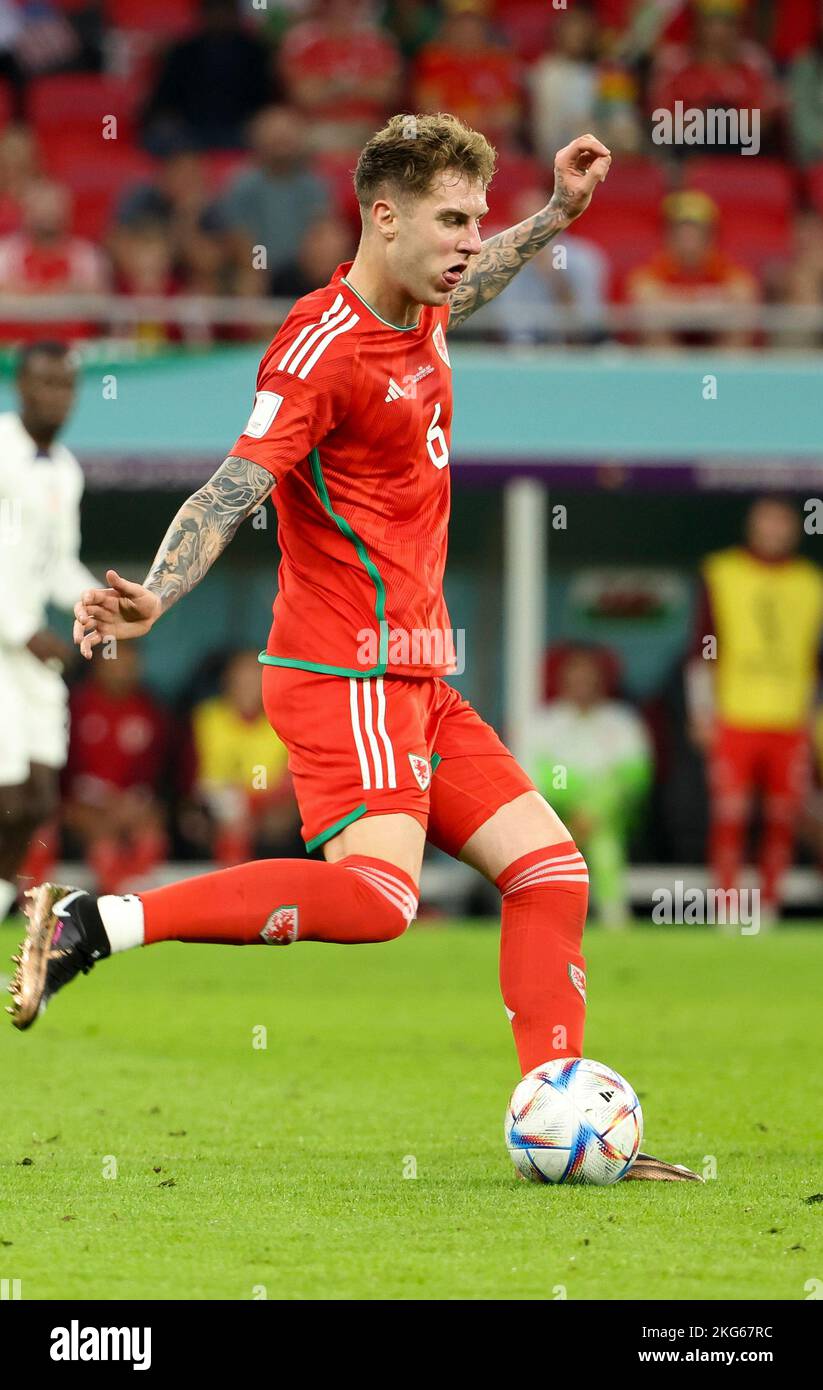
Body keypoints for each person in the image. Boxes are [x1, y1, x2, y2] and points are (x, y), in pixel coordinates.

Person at [11, 112, 697, 1182]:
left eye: (477, 216)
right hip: (346, 669)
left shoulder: (423, 305)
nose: (472, 239)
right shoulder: (321, 346)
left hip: (416, 671)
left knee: (552, 874)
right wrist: (159, 588)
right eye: (451, 219)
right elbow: (235, 483)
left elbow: (480, 284)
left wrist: (556, 212)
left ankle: (559, 1117)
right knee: (382, 901)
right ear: (383, 216)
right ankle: (100, 923)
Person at [687, 496, 823, 923]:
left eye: (782, 524)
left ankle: (768, 905)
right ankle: (728, 908)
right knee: (731, 815)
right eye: (766, 522)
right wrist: (701, 710)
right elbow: (703, 645)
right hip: (735, 716)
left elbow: (816, 659)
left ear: (796, 530)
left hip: (791, 720)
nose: (774, 532)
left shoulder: (811, 583)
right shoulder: (722, 572)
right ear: (751, 526)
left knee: (783, 817)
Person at [0, 341, 98, 922]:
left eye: (65, 385)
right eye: (44, 383)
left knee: (36, 798)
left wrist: (100, 600)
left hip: (32, 652)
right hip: (7, 643)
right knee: (10, 793)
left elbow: (58, 564)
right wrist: (24, 629)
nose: (55, 396)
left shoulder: (66, 469)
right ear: (20, 386)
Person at [528, 647, 652, 928]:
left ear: (602, 681)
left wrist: (591, 811)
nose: (582, 685)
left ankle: (609, 914)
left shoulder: (622, 721)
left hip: (611, 814)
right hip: (555, 814)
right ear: (562, 681)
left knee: (603, 827)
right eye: (576, 678)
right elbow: (531, 776)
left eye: (589, 678)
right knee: (582, 833)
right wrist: (573, 800)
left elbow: (636, 776)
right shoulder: (543, 723)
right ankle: (559, 915)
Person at [62, 643, 169, 895]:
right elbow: (62, 771)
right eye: (116, 664)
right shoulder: (75, 707)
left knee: (150, 827)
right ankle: (113, 897)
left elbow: (159, 772)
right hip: (82, 806)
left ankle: (139, 897)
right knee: (101, 829)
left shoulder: (150, 709)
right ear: (97, 665)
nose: (122, 671)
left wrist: (136, 800)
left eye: (129, 665)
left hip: (132, 801)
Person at [626, 190, 758, 349]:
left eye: (696, 232)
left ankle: (723, 373)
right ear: (668, 235)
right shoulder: (654, 269)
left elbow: (744, 294)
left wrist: (676, 303)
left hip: (719, 352)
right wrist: (711, 301)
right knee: (653, 328)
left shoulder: (724, 268)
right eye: (680, 232)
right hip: (668, 354)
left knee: (739, 328)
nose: (688, 241)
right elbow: (644, 297)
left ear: (710, 236)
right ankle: (673, 373)